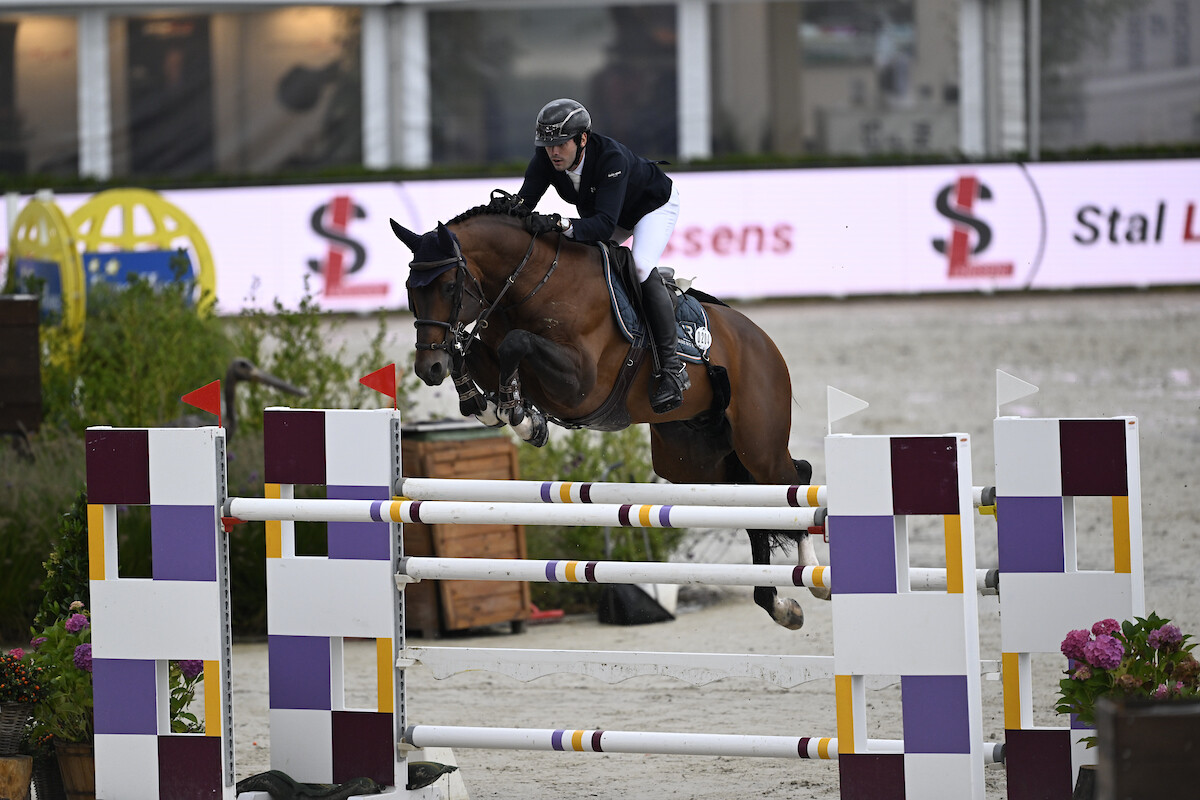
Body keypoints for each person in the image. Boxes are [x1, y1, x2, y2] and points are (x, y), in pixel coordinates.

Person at [516, 98, 690, 415]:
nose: (553, 152)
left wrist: (559, 223)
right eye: (548, 145)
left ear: (582, 139)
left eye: (561, 144)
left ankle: (671, 368)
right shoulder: (546, 159)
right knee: (582, 262)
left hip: (651, 207)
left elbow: (604, 226)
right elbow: (522, 206)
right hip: (609, 214)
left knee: (639, 266)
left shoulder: (612, 158)